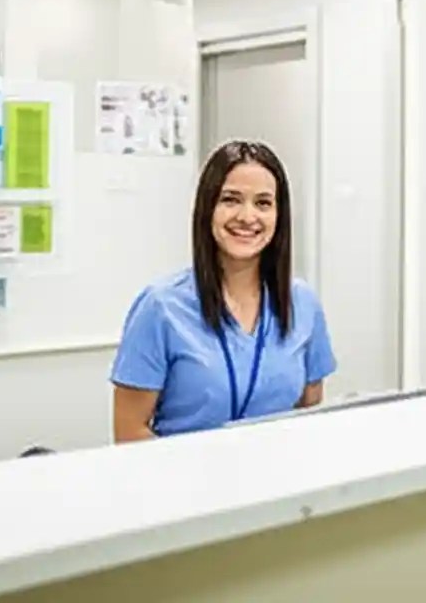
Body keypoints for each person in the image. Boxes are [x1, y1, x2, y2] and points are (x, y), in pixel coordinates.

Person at [110, 140, 337, 442]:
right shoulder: (161, 307)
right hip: (184, 483)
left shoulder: (303, 304)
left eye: (263, 203)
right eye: (231, 199)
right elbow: (129, 432)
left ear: (279, 216)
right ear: (207, 209)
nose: (247, 216)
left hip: (281, 482)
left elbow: (309, 415)